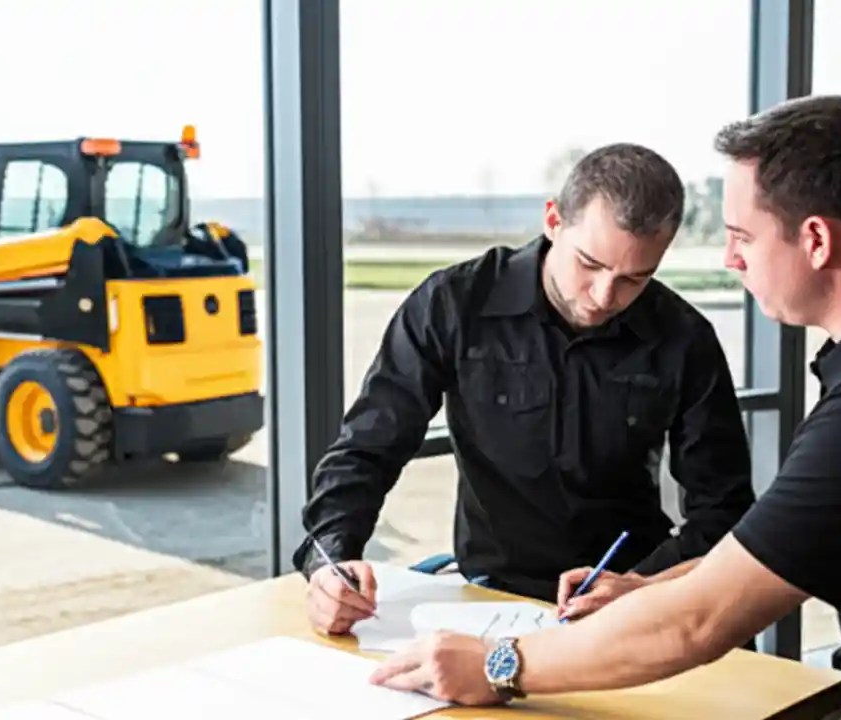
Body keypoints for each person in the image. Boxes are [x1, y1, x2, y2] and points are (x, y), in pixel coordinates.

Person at [367, 94, 841, 718]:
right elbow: (748, 566)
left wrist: (501, 665)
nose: (730, 259)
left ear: (815, 240)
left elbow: (700, 620)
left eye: (741, 236)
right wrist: (644, 587)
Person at [296, 142, 755, 636]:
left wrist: (641, 585)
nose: (605, 297)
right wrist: (331, 559)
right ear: (553, 220)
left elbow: (723, 511)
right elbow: (367, 448)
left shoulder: (684, 337)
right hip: (489, 597)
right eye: (590, 265)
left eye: (634, 280)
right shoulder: (453, 305)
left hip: (632, 601)